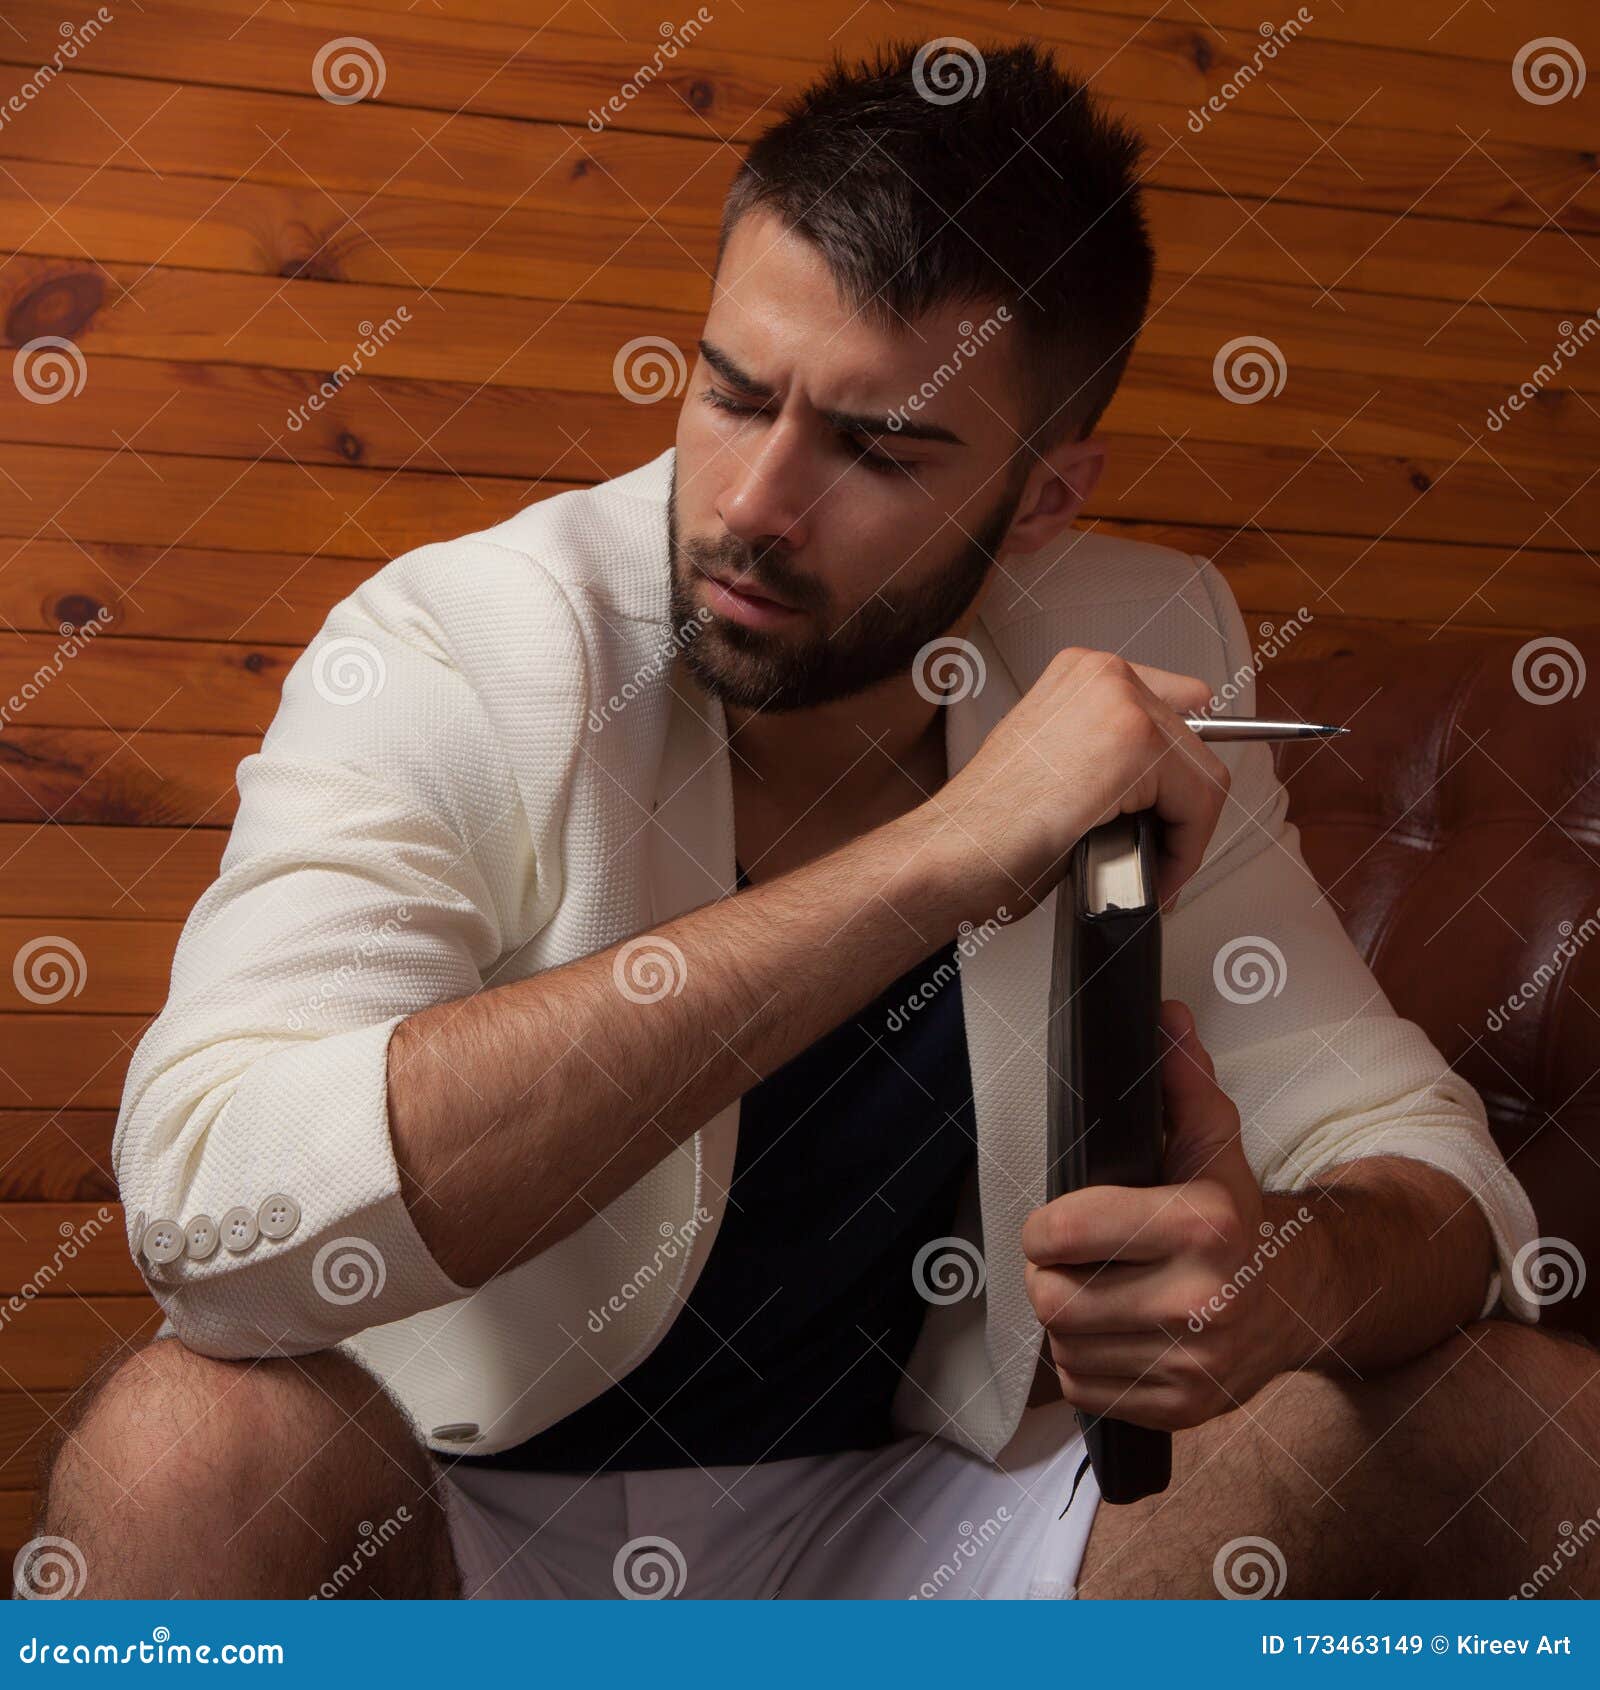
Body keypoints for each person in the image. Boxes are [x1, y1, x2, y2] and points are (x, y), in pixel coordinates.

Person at [31, 39, 1598, 1603]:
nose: (754, 507)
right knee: (184, 1448)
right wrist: (936, 853)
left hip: (935, 1532)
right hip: (472, 1524)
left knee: (1527, 1424)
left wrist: (1276, 1282)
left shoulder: (1127, 643)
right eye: (732, 393)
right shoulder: (461, 644)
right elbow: (205, 1207)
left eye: (877, 447)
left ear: (1045, 497)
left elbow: (1427, 1165)